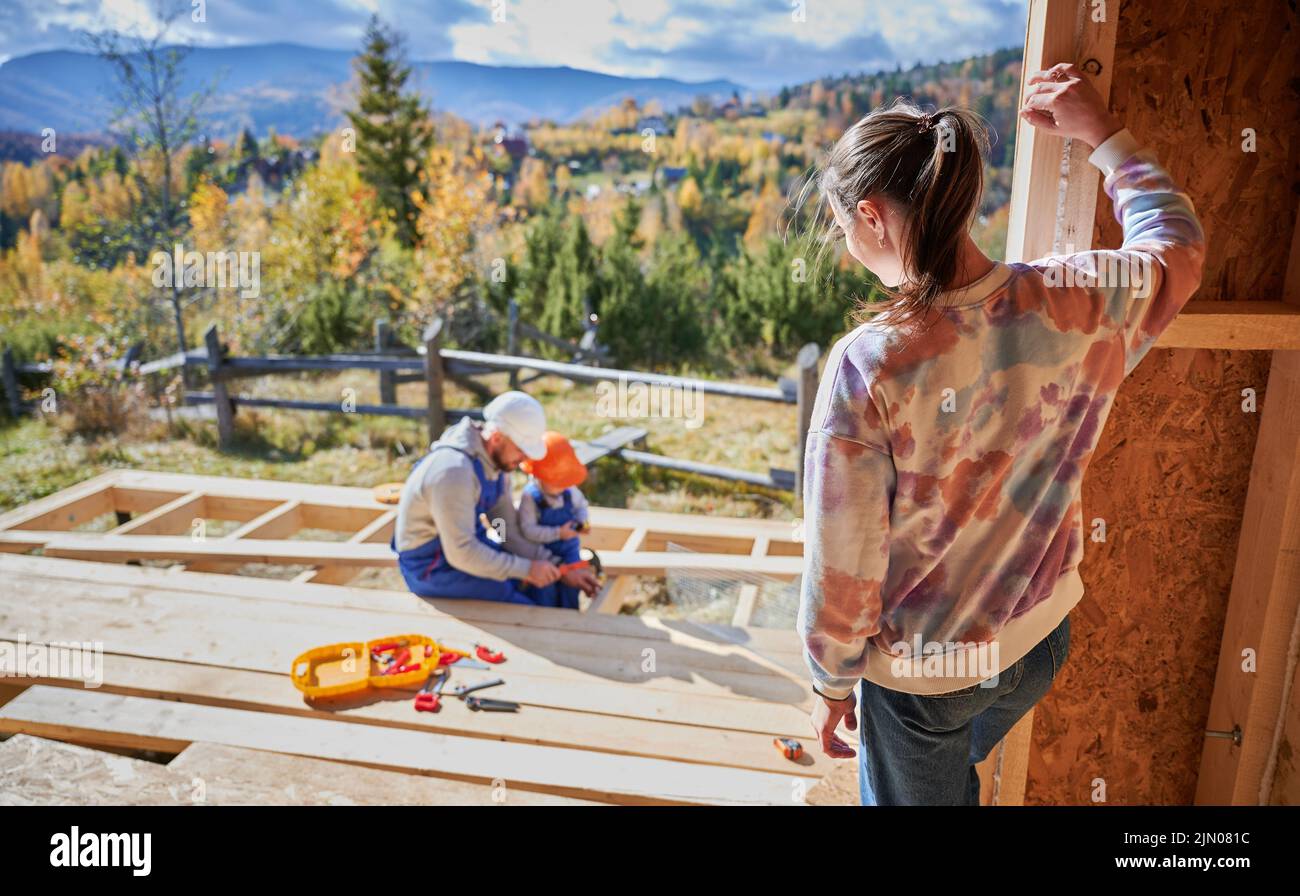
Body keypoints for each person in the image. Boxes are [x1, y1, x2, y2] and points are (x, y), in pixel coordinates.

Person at [796, 63, 1205, 804]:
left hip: (928, 677)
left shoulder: (872, 366)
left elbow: (845, 562)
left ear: (872, 216)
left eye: (840, 225)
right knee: (959, 774)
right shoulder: (1075, 301)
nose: (844, 242)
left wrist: (830, 684)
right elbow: (1177, 243)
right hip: (1041, 639)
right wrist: (1103, 137)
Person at [391, 390, 599, 604]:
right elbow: (462, 552)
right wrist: (527, 569)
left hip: (468, 550)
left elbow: (507, 532)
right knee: (521, 608)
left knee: (542, 590)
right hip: (432, 568)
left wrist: (561, 568)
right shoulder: (454, 472)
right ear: (497, 437)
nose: (524, 459)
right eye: (521, 450)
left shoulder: (497, 468)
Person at [516, 431, 592, 609]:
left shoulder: (569, 489)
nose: (562, 485)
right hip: (543, 552)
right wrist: (558, 533)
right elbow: (528, 530)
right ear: (539, 475)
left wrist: (583, 522)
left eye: (564, 481)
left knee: (572, 584)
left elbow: (581, 506)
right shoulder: (530, 498)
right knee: (544, 588)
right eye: (556, 481)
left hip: (569, 550)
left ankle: (569, 617)